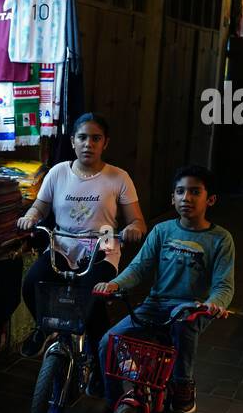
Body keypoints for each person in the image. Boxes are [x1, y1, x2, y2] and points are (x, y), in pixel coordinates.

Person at [92, 165, 235, 413]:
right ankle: (112, 403)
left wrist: (214, 304)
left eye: (195, 192)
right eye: (180, 192)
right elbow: (138, 268)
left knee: (182, 320)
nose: (186, 198)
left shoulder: (220, 239)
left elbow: (223, 286)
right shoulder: (161, 231)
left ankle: (183, 383)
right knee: (107, 343)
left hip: (193, 309)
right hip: (155, 305)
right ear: (173, 198)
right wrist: (114, 284)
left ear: (210, 199)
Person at [16, 113, 146, 367]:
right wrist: (30, 217)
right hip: (62, 244)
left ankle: (98, 366)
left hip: (103, 245)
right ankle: (43, 328)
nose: (89, 144)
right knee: (32, 284)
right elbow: (39, 207)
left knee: (93, 299)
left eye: (96, 138)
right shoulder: (58, 172)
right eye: (83, 137)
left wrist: (134, 228)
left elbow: (137, 220)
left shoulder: (119, 177)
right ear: (73, 141)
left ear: (105, 143)